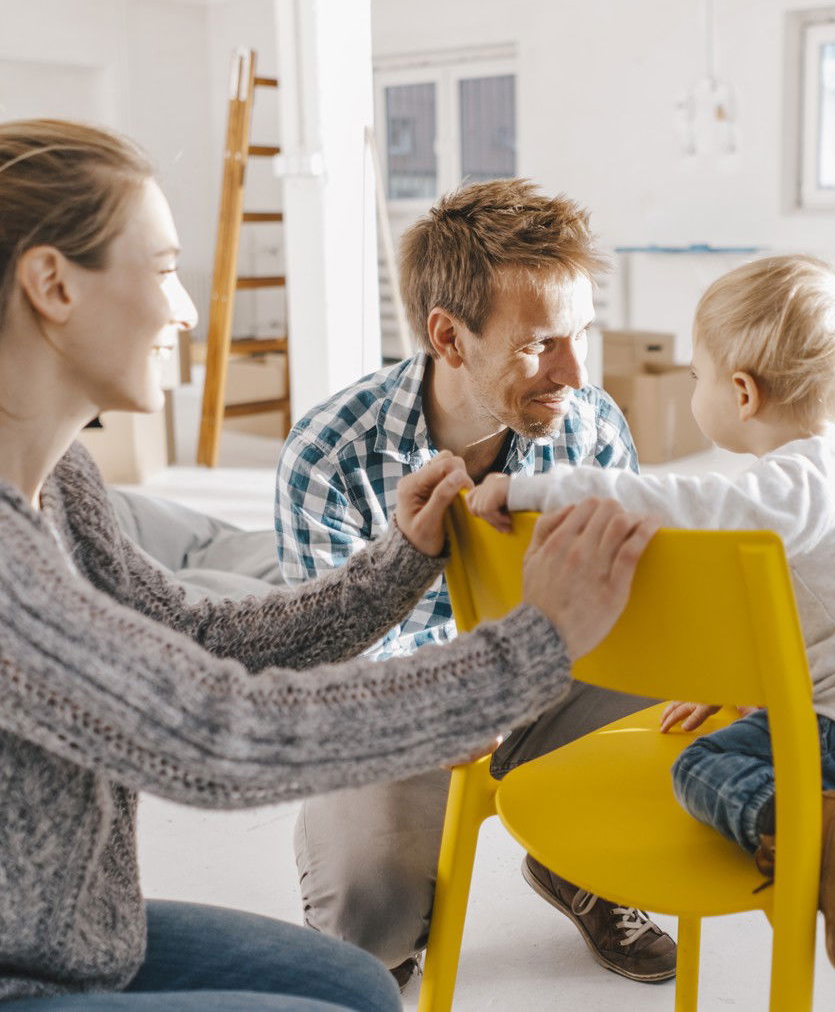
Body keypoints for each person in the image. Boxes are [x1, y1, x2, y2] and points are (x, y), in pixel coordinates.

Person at [0, 75, 657, 1012]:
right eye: (162, 269)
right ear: (52, 286)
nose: (186, 312)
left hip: (56, 933)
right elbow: (212, 729)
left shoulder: (54, 477)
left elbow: (192, 631)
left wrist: (396, 567)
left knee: (352, 986)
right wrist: (531, 647)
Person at [468, 254, 835, 985]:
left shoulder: (786, 488)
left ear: (743, 393)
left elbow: (691, 512)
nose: (694, 387)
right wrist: (735, 680)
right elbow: (828, 619)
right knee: (756, 723)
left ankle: (826, 838)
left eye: (696, 376)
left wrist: (545, 491)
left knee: (705, 766)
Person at [276, 179, 677, 987]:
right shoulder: (327, 454)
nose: (575, 371)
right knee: (366, 932)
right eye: (541, 344)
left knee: (709, 672)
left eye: (582, 337)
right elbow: (338, 665)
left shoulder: (593, 425)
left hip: (554, 679)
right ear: (449, 338)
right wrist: (465, 683)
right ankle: (384, 924)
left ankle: (577, 862)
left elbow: (637, 599)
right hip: (401, 711)